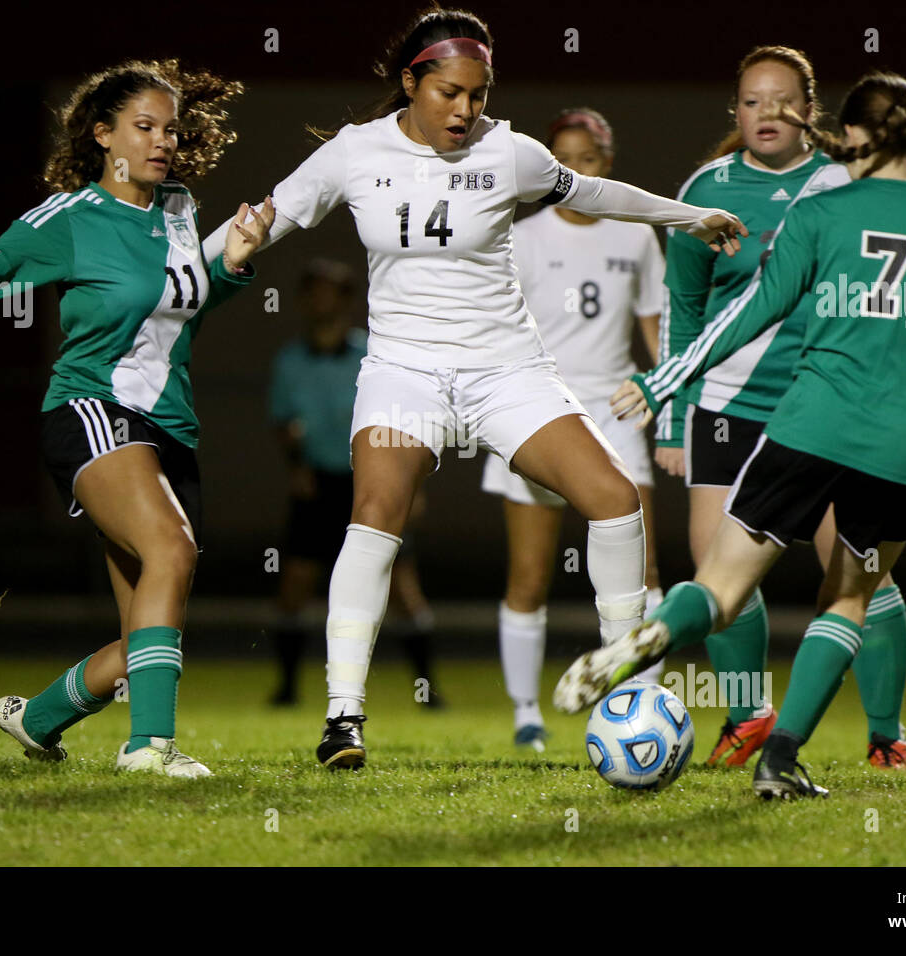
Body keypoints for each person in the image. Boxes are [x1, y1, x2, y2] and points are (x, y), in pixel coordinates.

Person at [203, 7, 747, 769]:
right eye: (451, 92)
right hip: (403, 372)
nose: (466, 110)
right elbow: (259, 222)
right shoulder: (353, 154)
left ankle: (623, 681)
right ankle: (342, 719)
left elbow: (594, 194)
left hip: (506, 370)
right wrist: (188, 274)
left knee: (616, 500)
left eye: (479, 95)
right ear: (410, 82)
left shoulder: (512, 153)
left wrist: (689, 217)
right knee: (375, 516)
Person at [554, 71, 906, 800]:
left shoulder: (820, 214)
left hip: (805, 430)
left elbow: (750, 311)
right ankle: (782, 760)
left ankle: (652, 638)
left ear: (847, 138)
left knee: (721, 584)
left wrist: (663, 381)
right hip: (898, 455)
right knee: (848, 599)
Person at [0, 60, 274, 777]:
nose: (162, 141)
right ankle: (149, 749)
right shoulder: (71, 218)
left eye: (169, 128)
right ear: (103, 135)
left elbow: (180, 310)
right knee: (173, 550)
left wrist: (232, 268)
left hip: (171, 427)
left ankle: (37, 719)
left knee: (146, 634)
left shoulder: (180, 208)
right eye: (144, 127)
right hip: (93, 409)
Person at [655, 46, 906, 769]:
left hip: (827, 405)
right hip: (725, 404)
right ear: (734, 112)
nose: (764, 115)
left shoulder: (847, 183)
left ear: (811, 110)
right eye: (749, 102)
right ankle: (747, 714)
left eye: (780, 101)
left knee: (856, 573)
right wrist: (673, 414)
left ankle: (884, 732)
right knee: (717, 569)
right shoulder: (704, 191)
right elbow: (682, 310)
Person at [480, 107, 666, 752]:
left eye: (587, 160)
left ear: (607, 164)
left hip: (617, 414)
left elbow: (656, 330)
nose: (574, 172)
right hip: (536, 414)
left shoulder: (636, 235)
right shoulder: (521, 236)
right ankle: (527, 715)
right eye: (561, 161)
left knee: (644, 570)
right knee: (530, 575)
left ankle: (639, 704)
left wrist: (666, 401)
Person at [269, 258, 440, 706]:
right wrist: (295, 468)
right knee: (295, 587)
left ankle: (427, 690)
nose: (321, 300)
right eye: (314, 291)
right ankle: (287, 688)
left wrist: (414, 488)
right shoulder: (289, 360)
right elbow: (283, 422)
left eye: (331, 291)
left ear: (347, 301)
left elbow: (405, 421)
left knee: (403, 587)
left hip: (370, 482)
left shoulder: (371, 354)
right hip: (318, 486)